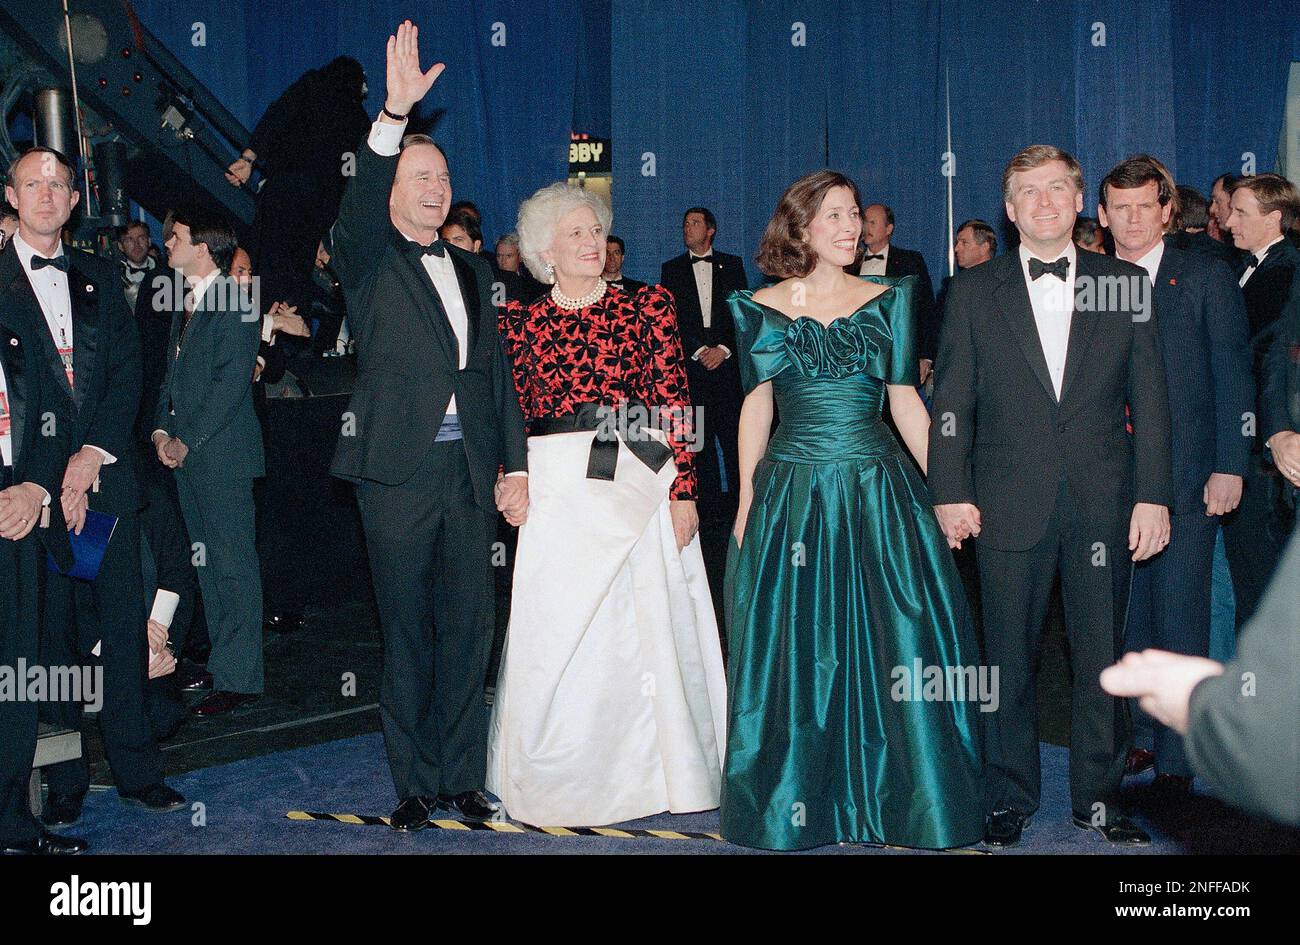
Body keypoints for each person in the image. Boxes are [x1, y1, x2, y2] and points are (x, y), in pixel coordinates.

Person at [721, 170, 983, 851]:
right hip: (793, 493)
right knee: (800, 649)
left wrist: (949, 490)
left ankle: (908, 801)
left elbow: (905, 403)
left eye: (853, 216)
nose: (849, 226)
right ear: (800, 227)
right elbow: (756, 405)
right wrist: (748, 496)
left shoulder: (890, 298)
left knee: (896, 637)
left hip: (876, 487)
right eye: (833, 215)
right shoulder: (758, 306)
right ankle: (800, 800)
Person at [929, 144, 1172, 847]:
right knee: (1007, 657)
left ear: (1077, 202)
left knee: (1103, 654)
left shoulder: (1123, 282)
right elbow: (954, 402)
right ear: (1010, 211)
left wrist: (1154, 495)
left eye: (1056, 188)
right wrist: (949, 490)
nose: (1043, 202)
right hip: (1006, 501)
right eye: (1028, 192)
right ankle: (1009, 795)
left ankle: (1100, 798)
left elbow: (1151, 404)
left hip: (1106, 501)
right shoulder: (974, 290)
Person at [329, 22, 528, 831]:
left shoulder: (477, 271)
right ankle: (412, 782)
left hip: (470, 474)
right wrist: (392, 116)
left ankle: (461, 778)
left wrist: (513, 467)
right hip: (397, 474)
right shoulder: (366, 257)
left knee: (470, 632)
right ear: (388, 189)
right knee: (407, 632)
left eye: (442, 174)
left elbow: (500, 381)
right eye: (419, 174)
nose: (436, 185)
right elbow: (355, 205)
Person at [488, 183, 727, 827]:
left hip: (637, 477)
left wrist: (684, 493)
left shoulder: (649, 303)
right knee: (565, 628)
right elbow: (506, 414)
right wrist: (509, 476)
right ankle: (564, 777)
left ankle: (656, 772)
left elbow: (674, 401)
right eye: (576, 234)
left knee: (640, 627)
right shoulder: (519, 321)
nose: (592, 242)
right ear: (545, 252)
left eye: (596, 230)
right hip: (558, 490)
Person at [3, 146, 184, 826]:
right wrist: (53, 479)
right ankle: (67, 776)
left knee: (121, 625)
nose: (47, 195)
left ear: (75, 199)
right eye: (32, 184)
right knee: (50, 639)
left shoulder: (102, 277)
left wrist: (89, 456)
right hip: (32, 494)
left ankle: (138, 769)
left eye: (58, 184)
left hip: (105, 479)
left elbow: (127, 376)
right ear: (13, 197)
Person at [1097, 155, 1253, 799]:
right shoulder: (1091, 281)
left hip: (1192, 475)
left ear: (1168, 212)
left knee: (1183, 611)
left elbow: (1234, 373)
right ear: (1101, 217)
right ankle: (1134, 737)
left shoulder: (1208, 276)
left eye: (1145, 207)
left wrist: (1230, 465)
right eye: (1119, 209)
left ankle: (1181, 760)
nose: (1133, 220)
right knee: (1121, 614)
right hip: (1108, 477)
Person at [1101, 527, 1300, 828]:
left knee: (1201, 609)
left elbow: (1274, 768)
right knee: (1139, 616)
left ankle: (1179, 762)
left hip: (1194, 498)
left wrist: (1199, 704)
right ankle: (1149, 739)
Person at [153, 207, 265, 717]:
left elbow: (228, 386)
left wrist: (186, 441)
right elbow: (171, 380)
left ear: (203, 246)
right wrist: (160, 429)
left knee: (232, 566)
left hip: (219, 458)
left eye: (174, 236)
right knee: (209, 566)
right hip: (190, 456)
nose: (165, 243)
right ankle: (225, 666)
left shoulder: (236, 303)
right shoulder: (188, 302)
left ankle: (241, 678)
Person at [0, 284, 84, 854]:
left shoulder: (14, 319)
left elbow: (55, 406)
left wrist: (32, 485)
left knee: (16, 672)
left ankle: (12, 823)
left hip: (19, 510)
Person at [225, 56, 370, 313]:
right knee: (298, 274)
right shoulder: (359, 119)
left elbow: (277, 117)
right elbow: (352, 173)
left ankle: (262, 332)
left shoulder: (311, 85)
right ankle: (292, 333)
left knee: (265, 264)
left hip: (283, 191)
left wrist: (248, 158)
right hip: (319, 205)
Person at [1221, 173, 1300, 626]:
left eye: (1239, 212)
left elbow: (1267, 359)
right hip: (1254, 447)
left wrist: (1273, 433)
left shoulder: (1286, 272)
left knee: (1262, 583)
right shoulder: (1243, 267)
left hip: (1267, 459)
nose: (1228, 220)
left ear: (1274, 218)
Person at [660, 207, 748, 523]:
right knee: (699, 448)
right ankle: (706, 517)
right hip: (694, 373)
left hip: (726, 373)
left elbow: (741, 313)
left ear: (710, 230)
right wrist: (698, 350)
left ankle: (744, 511)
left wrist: (723, 349)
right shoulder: (671, 269)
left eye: (695, 223)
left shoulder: (733, 265)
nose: (688, 227)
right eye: (685, 223)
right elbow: (672, 319)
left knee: (734, 441)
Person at [117, 221, 157, 310]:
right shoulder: (116, 275)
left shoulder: (166, 271)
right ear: (120, 246)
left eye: (141, 238)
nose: (136, 245)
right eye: (129, 240)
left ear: (149, 241)